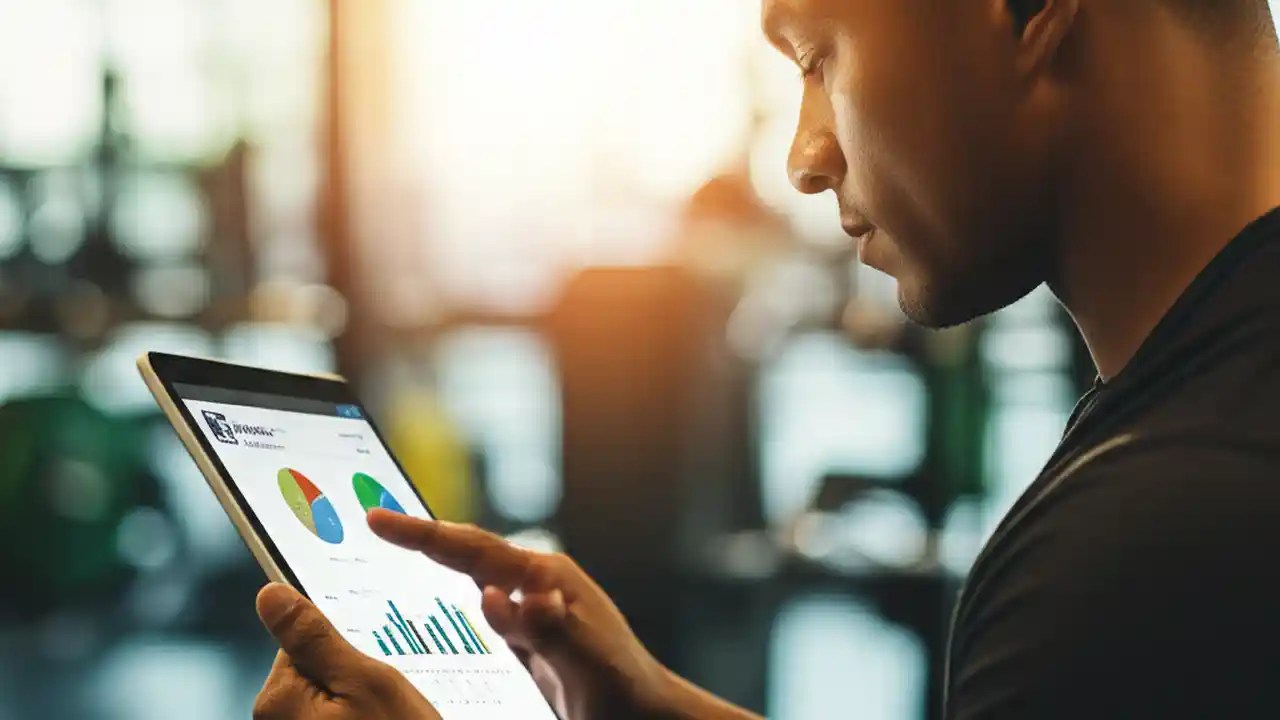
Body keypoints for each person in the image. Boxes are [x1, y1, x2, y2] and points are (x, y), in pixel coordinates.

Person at [251, 0, 1280, 717]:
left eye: (816, 55)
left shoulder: (1148, 550)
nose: (803, 155)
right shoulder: (1203, 416)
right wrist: (655, 711)